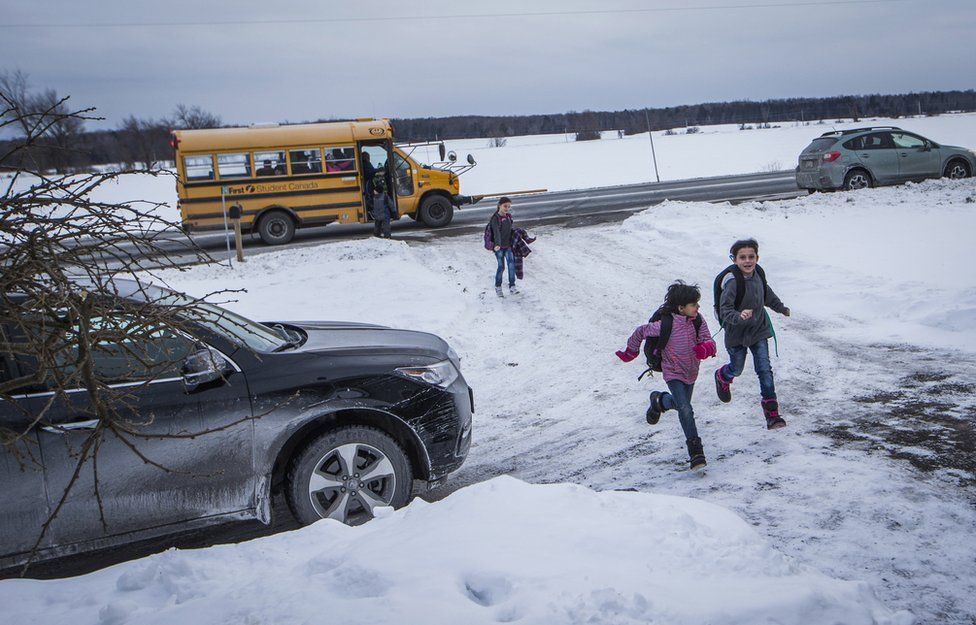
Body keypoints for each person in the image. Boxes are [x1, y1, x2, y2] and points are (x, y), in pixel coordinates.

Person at [615, 282, 717, 470]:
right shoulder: (665, 325)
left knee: (680, 405)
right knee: (686, 409)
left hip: (691, 371)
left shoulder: (697, 320)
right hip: (673, 372)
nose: (698, 307)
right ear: (681, 308)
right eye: (694, 304)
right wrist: (631, 351)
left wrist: (707, 348)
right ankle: (696, 452)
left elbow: (708, 339)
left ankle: (660, 401)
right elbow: (641, 331)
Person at [713, 238, 791, 430]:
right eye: (742, 257)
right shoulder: (732, 283)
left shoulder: (758, 274)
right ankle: (723, 375)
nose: (747, 261)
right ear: (734, 259)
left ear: (757, 257)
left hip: (758, 329)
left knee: (764, 368)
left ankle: (772, 414)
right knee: (737, 368)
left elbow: (767, 294)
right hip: (736, 333)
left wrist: (780, 308)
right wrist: (739, 316)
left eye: (751, 257)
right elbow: (725, 311)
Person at [486, 197, 517, 296]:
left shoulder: (509, 217)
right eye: (505, 206)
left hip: (508, 246)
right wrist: (497, 245)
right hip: (498, 247)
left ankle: (512, 286)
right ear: (499, 205)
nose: (507, 208)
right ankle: (498, 287)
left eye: (508, 207)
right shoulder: (495, 218)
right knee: (501, 267)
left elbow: (510, 230)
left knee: (511, 265)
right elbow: (496, 233)